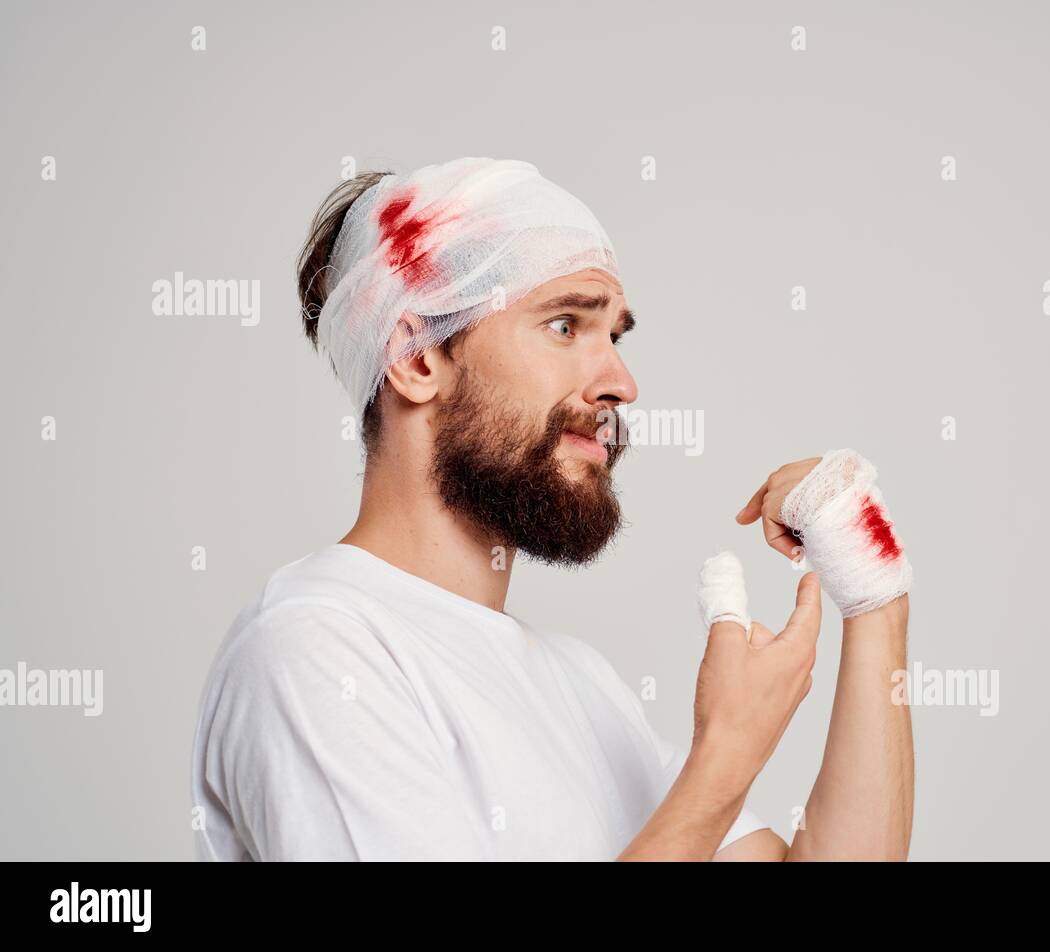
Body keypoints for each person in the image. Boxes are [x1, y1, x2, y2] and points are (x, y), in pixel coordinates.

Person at [189, 158, 914, 860]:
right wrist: (724, 760)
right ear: (417, 359)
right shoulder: (313, 652)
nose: (622, 383)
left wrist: (872, 591)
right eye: (567, 325)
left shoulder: (581, 683)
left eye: (615, 335)